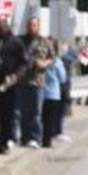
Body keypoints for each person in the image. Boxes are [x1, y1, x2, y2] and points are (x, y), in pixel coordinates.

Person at [0, 16, 27, 154]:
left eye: (1, 25)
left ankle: (4, 142)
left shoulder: (15, 42)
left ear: (6, 25)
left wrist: (17, 75)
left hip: (9, 83)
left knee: (7, 114)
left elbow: (23, 63)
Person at [17, 16, 54, 149]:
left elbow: (52, 57)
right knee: (22, 112)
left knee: (35, 112)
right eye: (29, 25)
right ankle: (24, 137)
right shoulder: (21, 41)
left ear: (38, 26)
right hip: (22, 81)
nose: (31, 27)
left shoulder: (44, 41)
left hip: (37, 81)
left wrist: (44, 63)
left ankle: (35, 138)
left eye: (34, 25)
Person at [42, 40, 67, 148]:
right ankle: (47, 142)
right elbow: (63, 78)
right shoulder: (57, 62)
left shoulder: (42, 60)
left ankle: (40, 138)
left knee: (42, 118)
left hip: (42, 92)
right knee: (50, 119)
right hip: (54, 93)